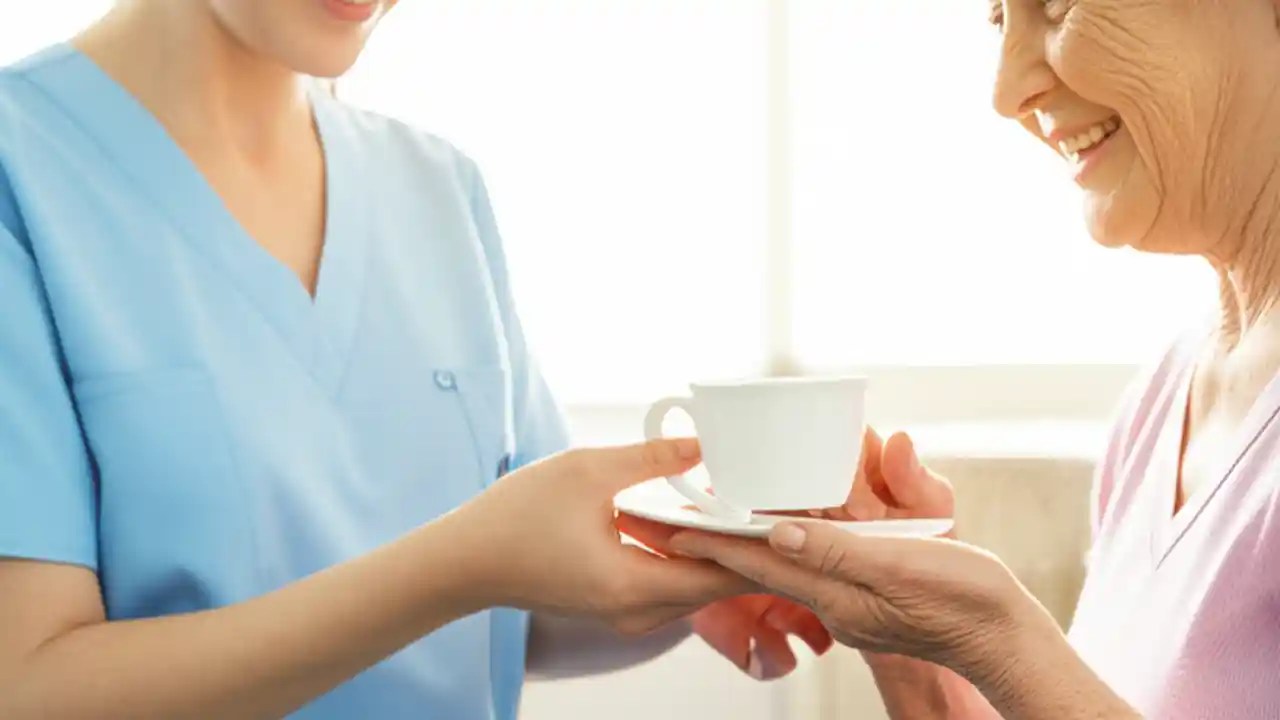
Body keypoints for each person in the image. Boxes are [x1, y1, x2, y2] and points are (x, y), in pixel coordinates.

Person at [0, 1, 834, 718]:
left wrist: (705, 567)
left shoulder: (438, 190)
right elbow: (26, 686)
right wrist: (459, 566)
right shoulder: (23, 174)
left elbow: (517, 609)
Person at [635, 0, 1280, 718]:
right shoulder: (1163, 401)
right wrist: (918, 654)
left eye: (1059, 5)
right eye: (998, 18)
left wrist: (999, 637)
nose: (1006, 93)